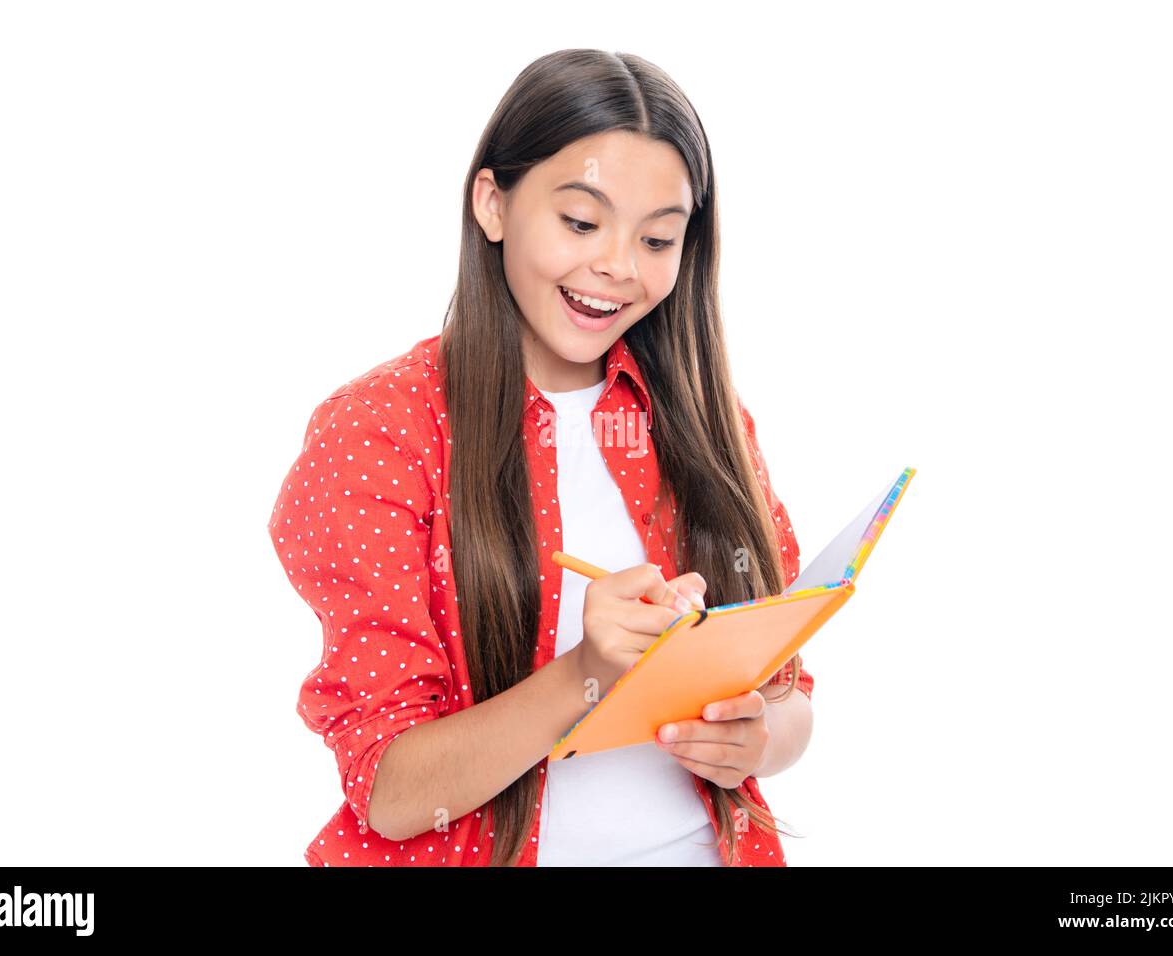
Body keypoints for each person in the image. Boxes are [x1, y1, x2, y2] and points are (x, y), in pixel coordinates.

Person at [266, 48, 814, 867]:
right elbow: (393, 793)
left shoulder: (706, 421)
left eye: (658, 237)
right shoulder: (379, 432)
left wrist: (757, 740)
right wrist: (587, 673)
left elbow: (792, 700)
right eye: (582, 223)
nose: (618, 267)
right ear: (492, 203)